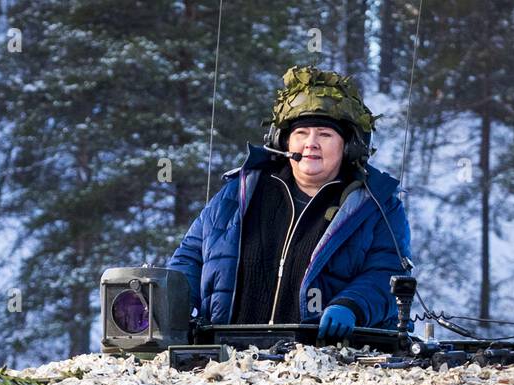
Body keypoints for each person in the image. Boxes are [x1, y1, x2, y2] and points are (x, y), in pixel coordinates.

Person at [167, 66, 413, 340]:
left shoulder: (376, 206)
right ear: (283, 141)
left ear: (349, 146)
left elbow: (387, 272)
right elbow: (190, 257)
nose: (311, 143)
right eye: (301, 133)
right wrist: (172, 305)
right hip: (226, 358)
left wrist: (351, 304)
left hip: (326, 362)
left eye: (325, 134)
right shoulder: (238, 193)